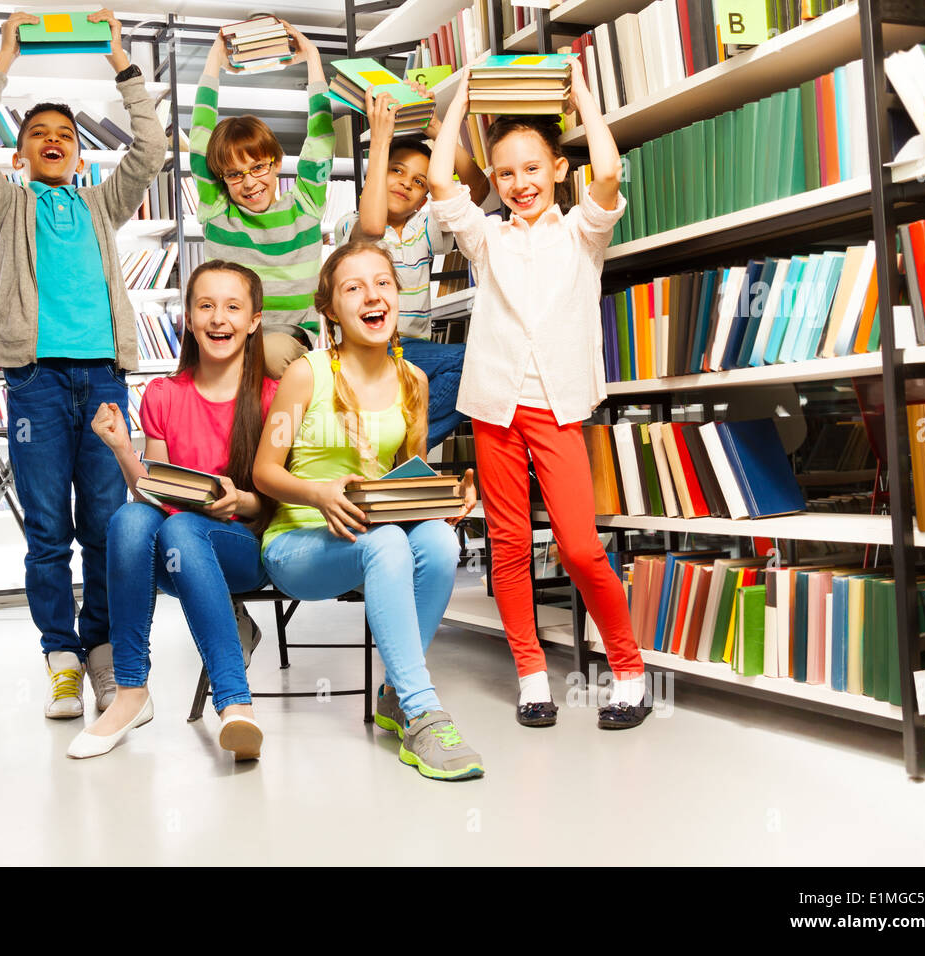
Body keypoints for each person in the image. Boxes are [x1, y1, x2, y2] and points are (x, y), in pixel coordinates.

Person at [0, 9, 166, 720]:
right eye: (39, 135)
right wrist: (3, 59)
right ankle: (61, 657)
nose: (53, 142)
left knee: (108, 525)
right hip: (36, 383)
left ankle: (104, 654)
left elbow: (152, 147)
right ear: (20, 155)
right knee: (47, 531)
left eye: (66, 136)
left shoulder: (103, 205)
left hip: (104, 378)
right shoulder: (9, 206)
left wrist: (120, 61)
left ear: (80, 155)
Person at [427, 64, 649, 729]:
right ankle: (530, 673)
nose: (518, 184)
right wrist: (463, 99)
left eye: (531, 169)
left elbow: (607, 172)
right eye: (504, 174)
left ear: (556, 169)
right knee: (510, 545)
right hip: (495, 409)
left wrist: (582, 95)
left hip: (556, 410)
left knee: (580, 547)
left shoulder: (582, 233)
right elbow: (443, 181)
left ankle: (630, 670)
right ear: (492, 181)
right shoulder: (486, 237)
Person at [253, 239, 483, 781]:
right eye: (353, 287)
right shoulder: (306, 375)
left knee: (437, 541)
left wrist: (447, 499)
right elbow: (265, 471)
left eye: (382, 282)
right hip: (298, 544)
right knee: (386, 542)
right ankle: (423, 712)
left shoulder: (414, 382)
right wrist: (320, 493)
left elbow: (410, 480)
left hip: (375, 535)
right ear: (330, 308)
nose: (372, 295)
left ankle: (393, 695)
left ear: (397, 297)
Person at [68, 261, 278, 761]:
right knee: (128, 518)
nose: (218, 318)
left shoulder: (274, 397)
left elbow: (277, 498)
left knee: (183, 527)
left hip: (243, 546)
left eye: (233, 306)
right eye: (205, 305)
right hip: (176, 548)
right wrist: (122, 449)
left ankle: (235, 703)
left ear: (253, 319)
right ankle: (131, 690)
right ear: (187, 316)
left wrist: (241, 499)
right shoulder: (163, 395)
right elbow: (154, 493)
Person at [334, 84, 489, 449]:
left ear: (425, 198)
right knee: (475, 358)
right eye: (396, 171)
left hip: (415, 351)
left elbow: (478, 190)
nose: (406, 182)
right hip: (368, 349)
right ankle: (398, 447)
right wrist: (382, 140)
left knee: (481, 366)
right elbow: (372, 226)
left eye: (419, 181)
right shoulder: (352, 223)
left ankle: (395, 447)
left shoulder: (424, 228)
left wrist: (436, 128)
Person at [189, 18, 334, 377]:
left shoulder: (305, 206)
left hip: (285, 338)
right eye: (235, 174)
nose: (249, 182)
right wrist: (214, 60)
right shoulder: (219, 211)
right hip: (230, 335)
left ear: (277, 163)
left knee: (267, 355)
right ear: (222, 179)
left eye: (258, 168)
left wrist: (312, 57)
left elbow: (321, 139)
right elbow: (199, 139)